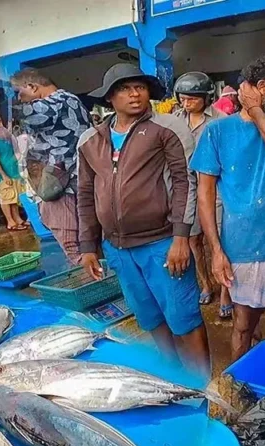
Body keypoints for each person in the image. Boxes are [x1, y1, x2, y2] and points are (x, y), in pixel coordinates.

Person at [78, 63, 210, 375]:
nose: (135, 94)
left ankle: (202, 388)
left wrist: (181, 237)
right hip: (118, 249)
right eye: (125, 88)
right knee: (149, 317)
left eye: (140, 87)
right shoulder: (90, 140)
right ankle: (173, 377)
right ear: (110, 97)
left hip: (162, 242)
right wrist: (88, 245)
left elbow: (185, 182)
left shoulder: (166, 128)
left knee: (184, 318)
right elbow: (84, 193)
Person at [191, 52, 265, 362]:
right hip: (243, 247)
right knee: (244, 327)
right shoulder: (217, 132)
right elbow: (204, 196)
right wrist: (216, 251)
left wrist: (255, 109)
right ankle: (240, 389)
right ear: (262, 86)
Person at [11, 67, 91, 264]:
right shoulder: (70, 100)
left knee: (74, 247)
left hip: (63, 188)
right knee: (84, 243)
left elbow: (20, 112)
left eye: (20, 92)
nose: (20, 98)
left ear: (32, 86)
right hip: (72, 183)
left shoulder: (57, 102)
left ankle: (94, 285)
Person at [173, 71, 230, 318]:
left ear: (206, 98)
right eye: (183, 99)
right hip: (186, 187)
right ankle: (206, 283)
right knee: (193, 238)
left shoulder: (220, 120)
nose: (187, 104)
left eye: (192, 99)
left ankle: (227, 292)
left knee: (219, 238)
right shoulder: (175, 120)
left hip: (215, 186)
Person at [0, 114, 27, 231]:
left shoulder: (7, 139)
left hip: (13, 173)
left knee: (14, 198)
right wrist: (3, 175)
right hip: (2, 176)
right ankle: (10, 222)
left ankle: (17, 219)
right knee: (6, 198)